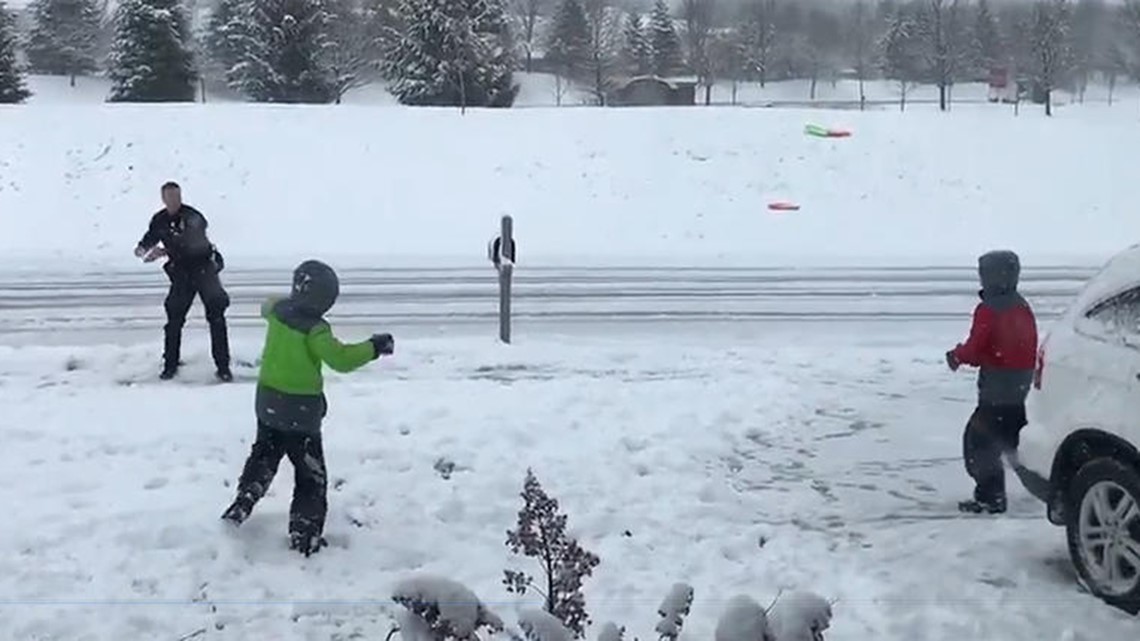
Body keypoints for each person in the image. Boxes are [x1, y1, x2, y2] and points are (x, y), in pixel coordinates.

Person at [221, 259, 394, 557]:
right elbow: (341, 359)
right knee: (310, 475)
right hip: (300, 412)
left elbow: (267, 304)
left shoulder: (277, 311)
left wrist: (289, 300)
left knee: (264, 454)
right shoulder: (316, 330)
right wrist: (374, 347)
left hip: (267, 402)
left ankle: (245, 499)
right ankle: (305, 532)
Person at [946, 250, 1038, 514]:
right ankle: (1056, 487)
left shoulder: (989, 310)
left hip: (997, 392)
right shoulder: (1021, 305)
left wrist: (956, 355)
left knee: (979, 445)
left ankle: (991, 498)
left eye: (983, 273)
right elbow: (1017, 347)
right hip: (1022, 390)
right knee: (1015, 444)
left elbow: (976, 350)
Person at [134, 182, 232, 381]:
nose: (174, 201)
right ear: (163, 199)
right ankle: (170, 364)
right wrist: (143, 249)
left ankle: (223, 367)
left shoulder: (193, 217)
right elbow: (151, 237)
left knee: (216, 317)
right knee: (174, 320)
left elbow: (194, 244)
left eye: (177, 197)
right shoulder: (160, 220)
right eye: (169, 197)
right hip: (182, 274)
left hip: (204, 270)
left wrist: (164, 251)